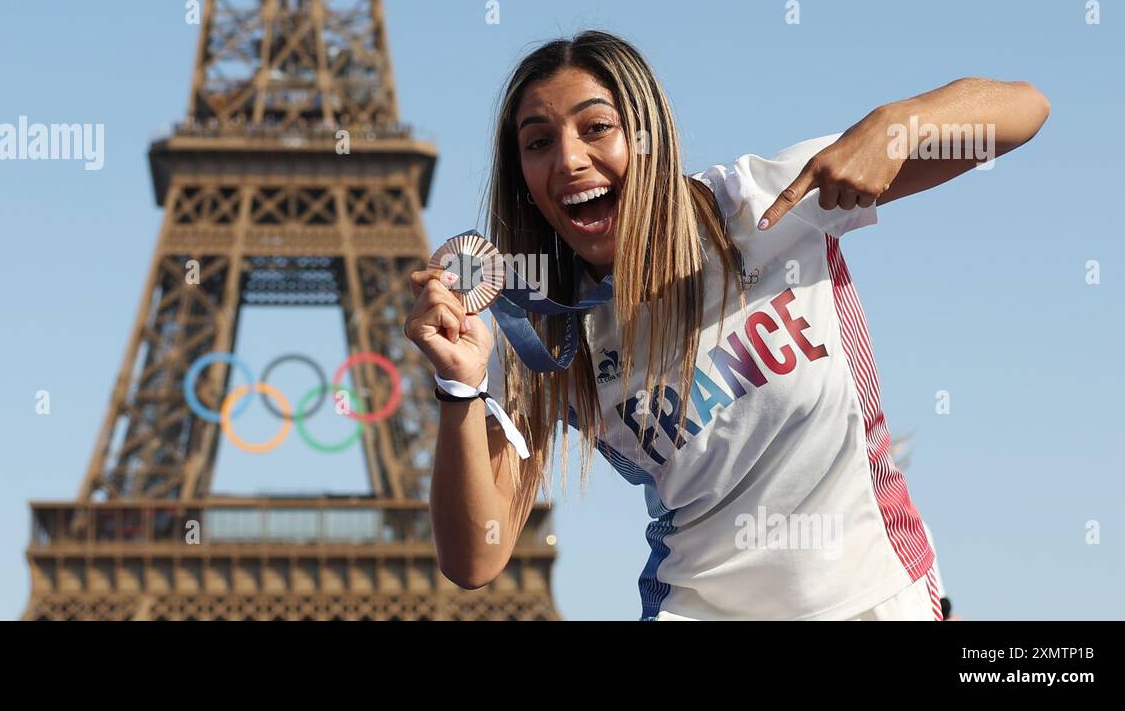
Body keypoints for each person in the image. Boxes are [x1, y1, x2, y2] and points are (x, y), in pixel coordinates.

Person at [404, 30, 1048, 620]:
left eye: (597, 127)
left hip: (874, 597)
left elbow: (1025, 110)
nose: (569, 159)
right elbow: (475, 560)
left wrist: (898, 124)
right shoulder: (542, 336)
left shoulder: (766, 203)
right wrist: (461, 386)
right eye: (538, 142)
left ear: (648, 135)